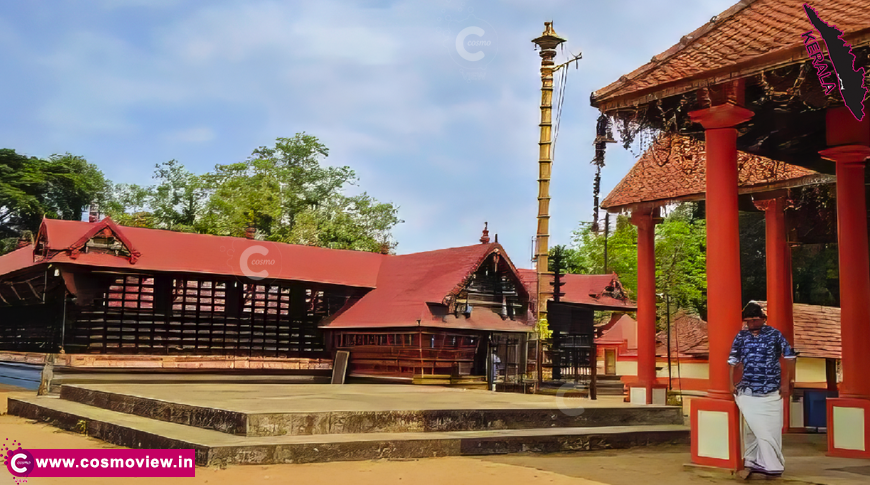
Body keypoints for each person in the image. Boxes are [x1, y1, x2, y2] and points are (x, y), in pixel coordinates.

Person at [728, 301, 797, 480]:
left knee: (769, 430)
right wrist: (730, 383)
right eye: (748, 321)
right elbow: (733, 361)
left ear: (764, 319)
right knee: (752, 428)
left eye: (756, 320)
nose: (752, 324)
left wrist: (788, 381)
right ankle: (752, 462)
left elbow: (789, 356)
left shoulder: (774, 334)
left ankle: (772, 465)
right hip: (748, 389)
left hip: (771, 389)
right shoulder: (741, 337)